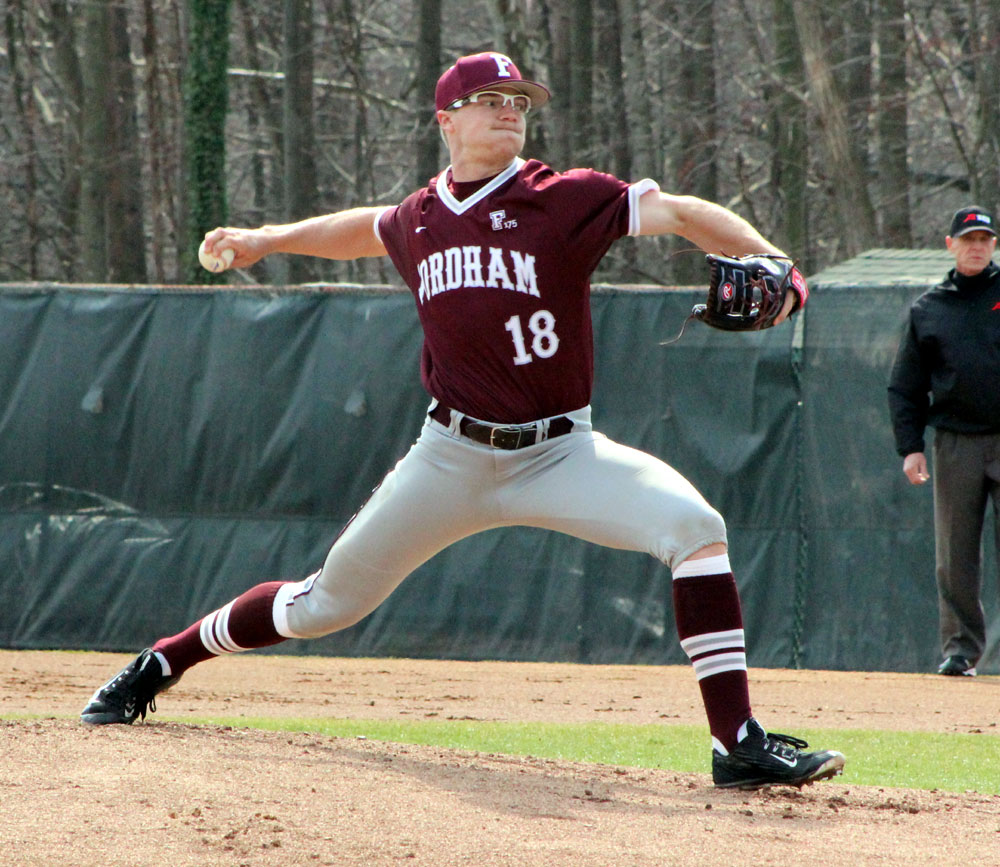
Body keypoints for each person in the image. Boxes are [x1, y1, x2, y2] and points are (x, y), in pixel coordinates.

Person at [82, 51, 845, 789]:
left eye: (520, 104)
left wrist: (781, 264)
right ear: (447, 119)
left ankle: (734, 742)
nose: (510, 114)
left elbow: (679, 212)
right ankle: (163, 660)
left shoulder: (563, 196)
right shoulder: (419, 218)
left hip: (560, 453)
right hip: (449, 457)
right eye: (492, 102)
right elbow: (362, 228)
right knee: (322, 604)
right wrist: (268, 240)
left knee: (696, 527)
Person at [888, 205, 1000, 678]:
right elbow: (905, 385)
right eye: (968, 238)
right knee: (955, 554)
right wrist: (910, 446)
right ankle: (961, 650)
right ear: (950, 244)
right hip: (956, 443)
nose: (977, 246)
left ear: (995, 246)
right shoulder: (928, 309)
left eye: (986, 239)